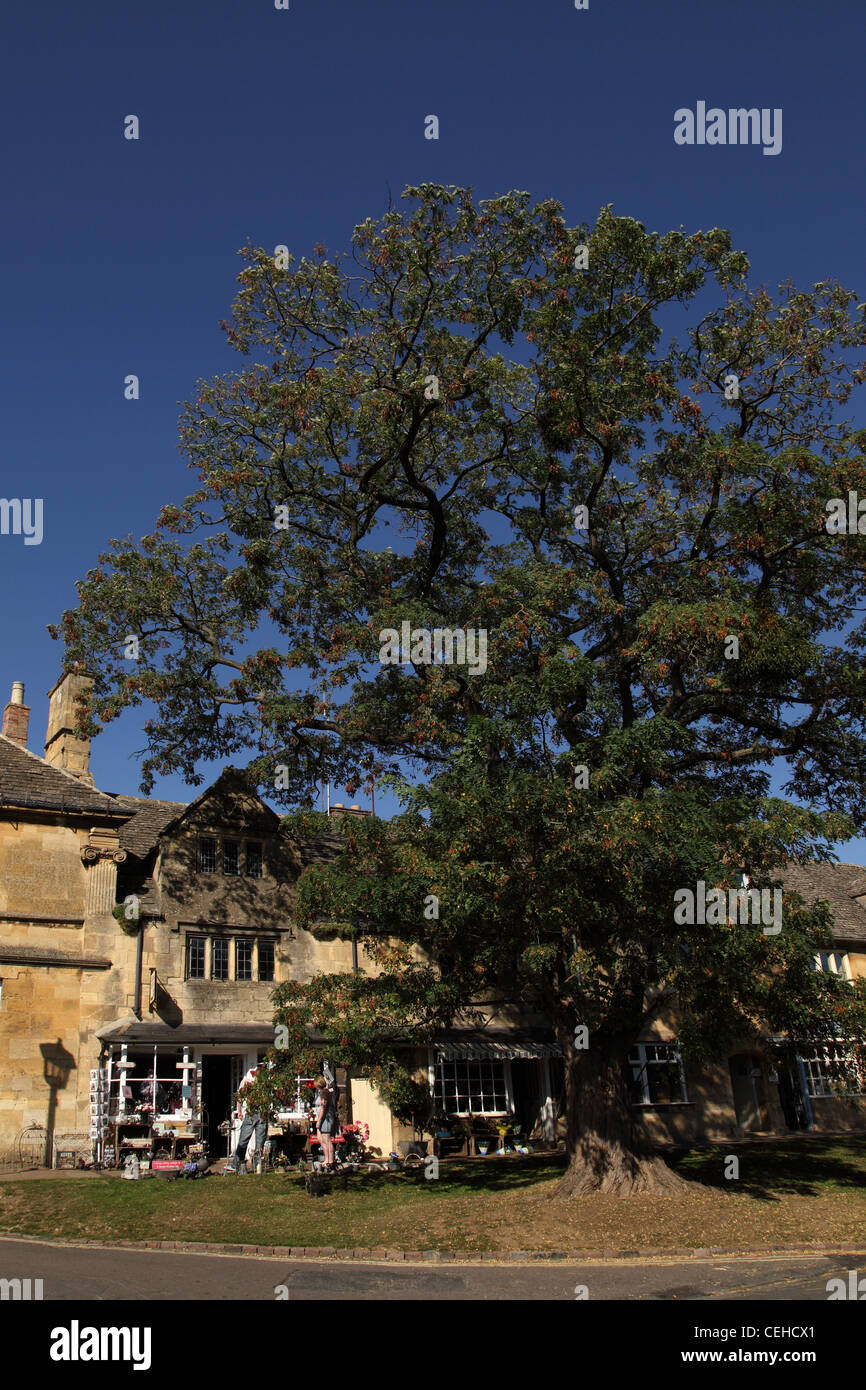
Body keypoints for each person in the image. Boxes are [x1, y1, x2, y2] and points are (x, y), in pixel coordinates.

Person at [225, 1063, 270, 1173]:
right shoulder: (263, 1085)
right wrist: (239, 1110)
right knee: (259, 1142)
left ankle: (238, 1165)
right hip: (261, 1114)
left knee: (244, 1140)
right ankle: (256, 1167)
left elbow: (240, 1097)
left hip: (252, 1113)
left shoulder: (249, 1084)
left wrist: (239, 1110)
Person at [314, 1067, 338, 1169]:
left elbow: (323, 1107)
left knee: (327, 1140)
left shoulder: (324, 1092)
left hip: (326, 1118)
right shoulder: (322, 1092)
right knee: (321, 1138)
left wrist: (319, 1121)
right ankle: (326, 1159)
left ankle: (330, 1160)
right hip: (323, 1117)